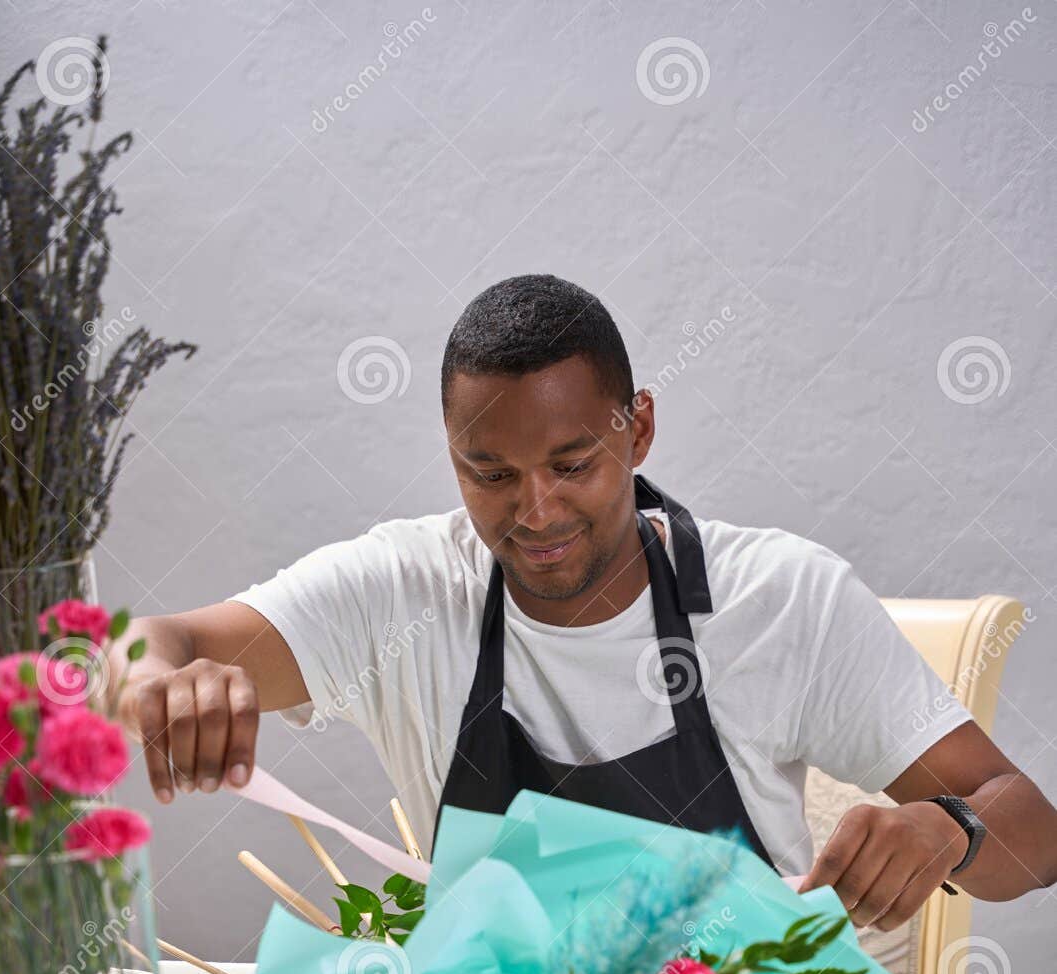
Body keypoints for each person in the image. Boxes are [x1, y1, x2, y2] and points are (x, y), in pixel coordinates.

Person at [116, 273, 1057, 932]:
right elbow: (137, 639)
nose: (536, 512)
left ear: (636, 427)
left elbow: (1034, 831)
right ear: (450, 453)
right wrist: (162, 680)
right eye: (489, 474)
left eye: (572, 466)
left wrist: (951, 829)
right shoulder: (403, 590)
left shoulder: (782, 598)